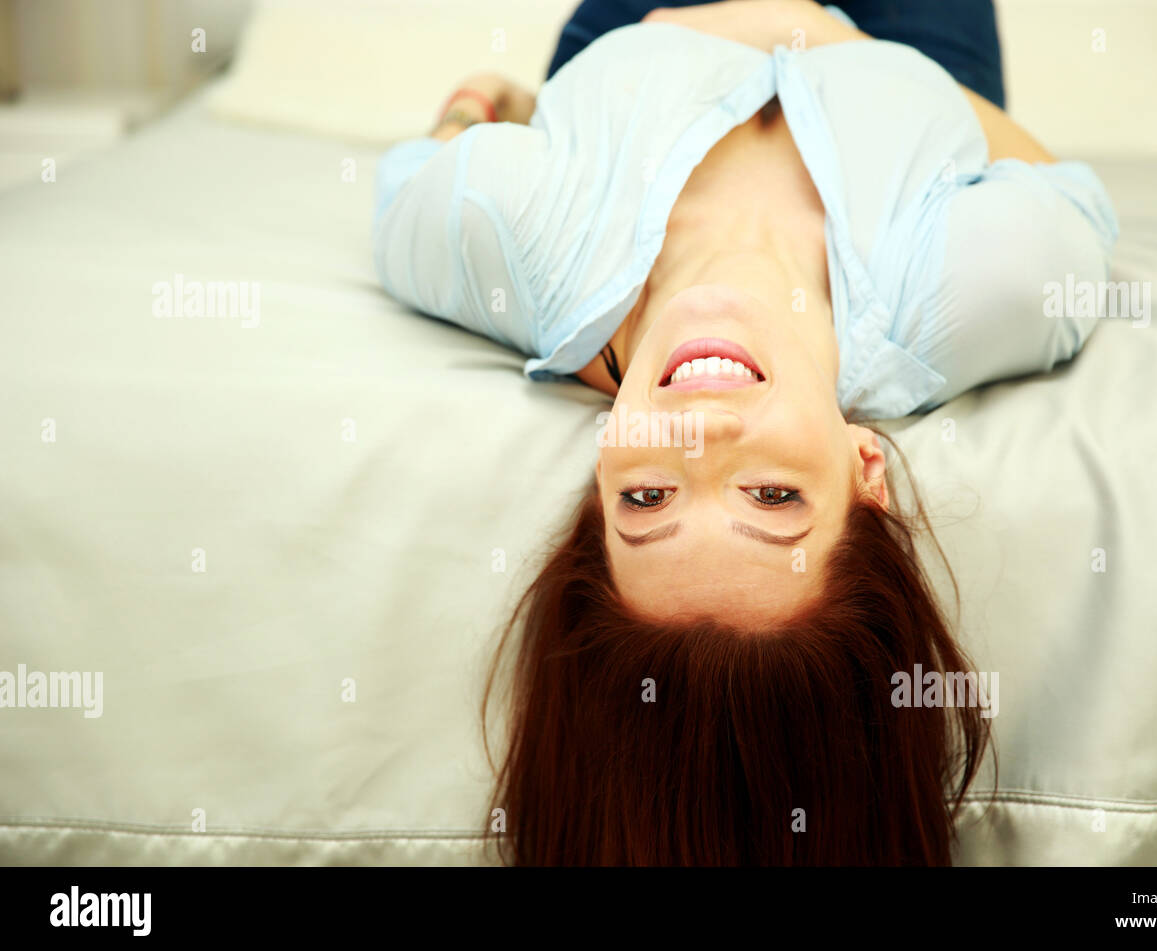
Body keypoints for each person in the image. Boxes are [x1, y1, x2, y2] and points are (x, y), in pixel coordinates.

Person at [372, 0, 1118, 865]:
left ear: (601, 478)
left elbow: (410, 180)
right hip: (907, 46)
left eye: (647, 498)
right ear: (864, 469)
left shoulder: (505, 241)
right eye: (772, 495)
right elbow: (1074, 202)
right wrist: (831, 34)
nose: (702, 434)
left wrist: (489, 100)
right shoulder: (981, 291)